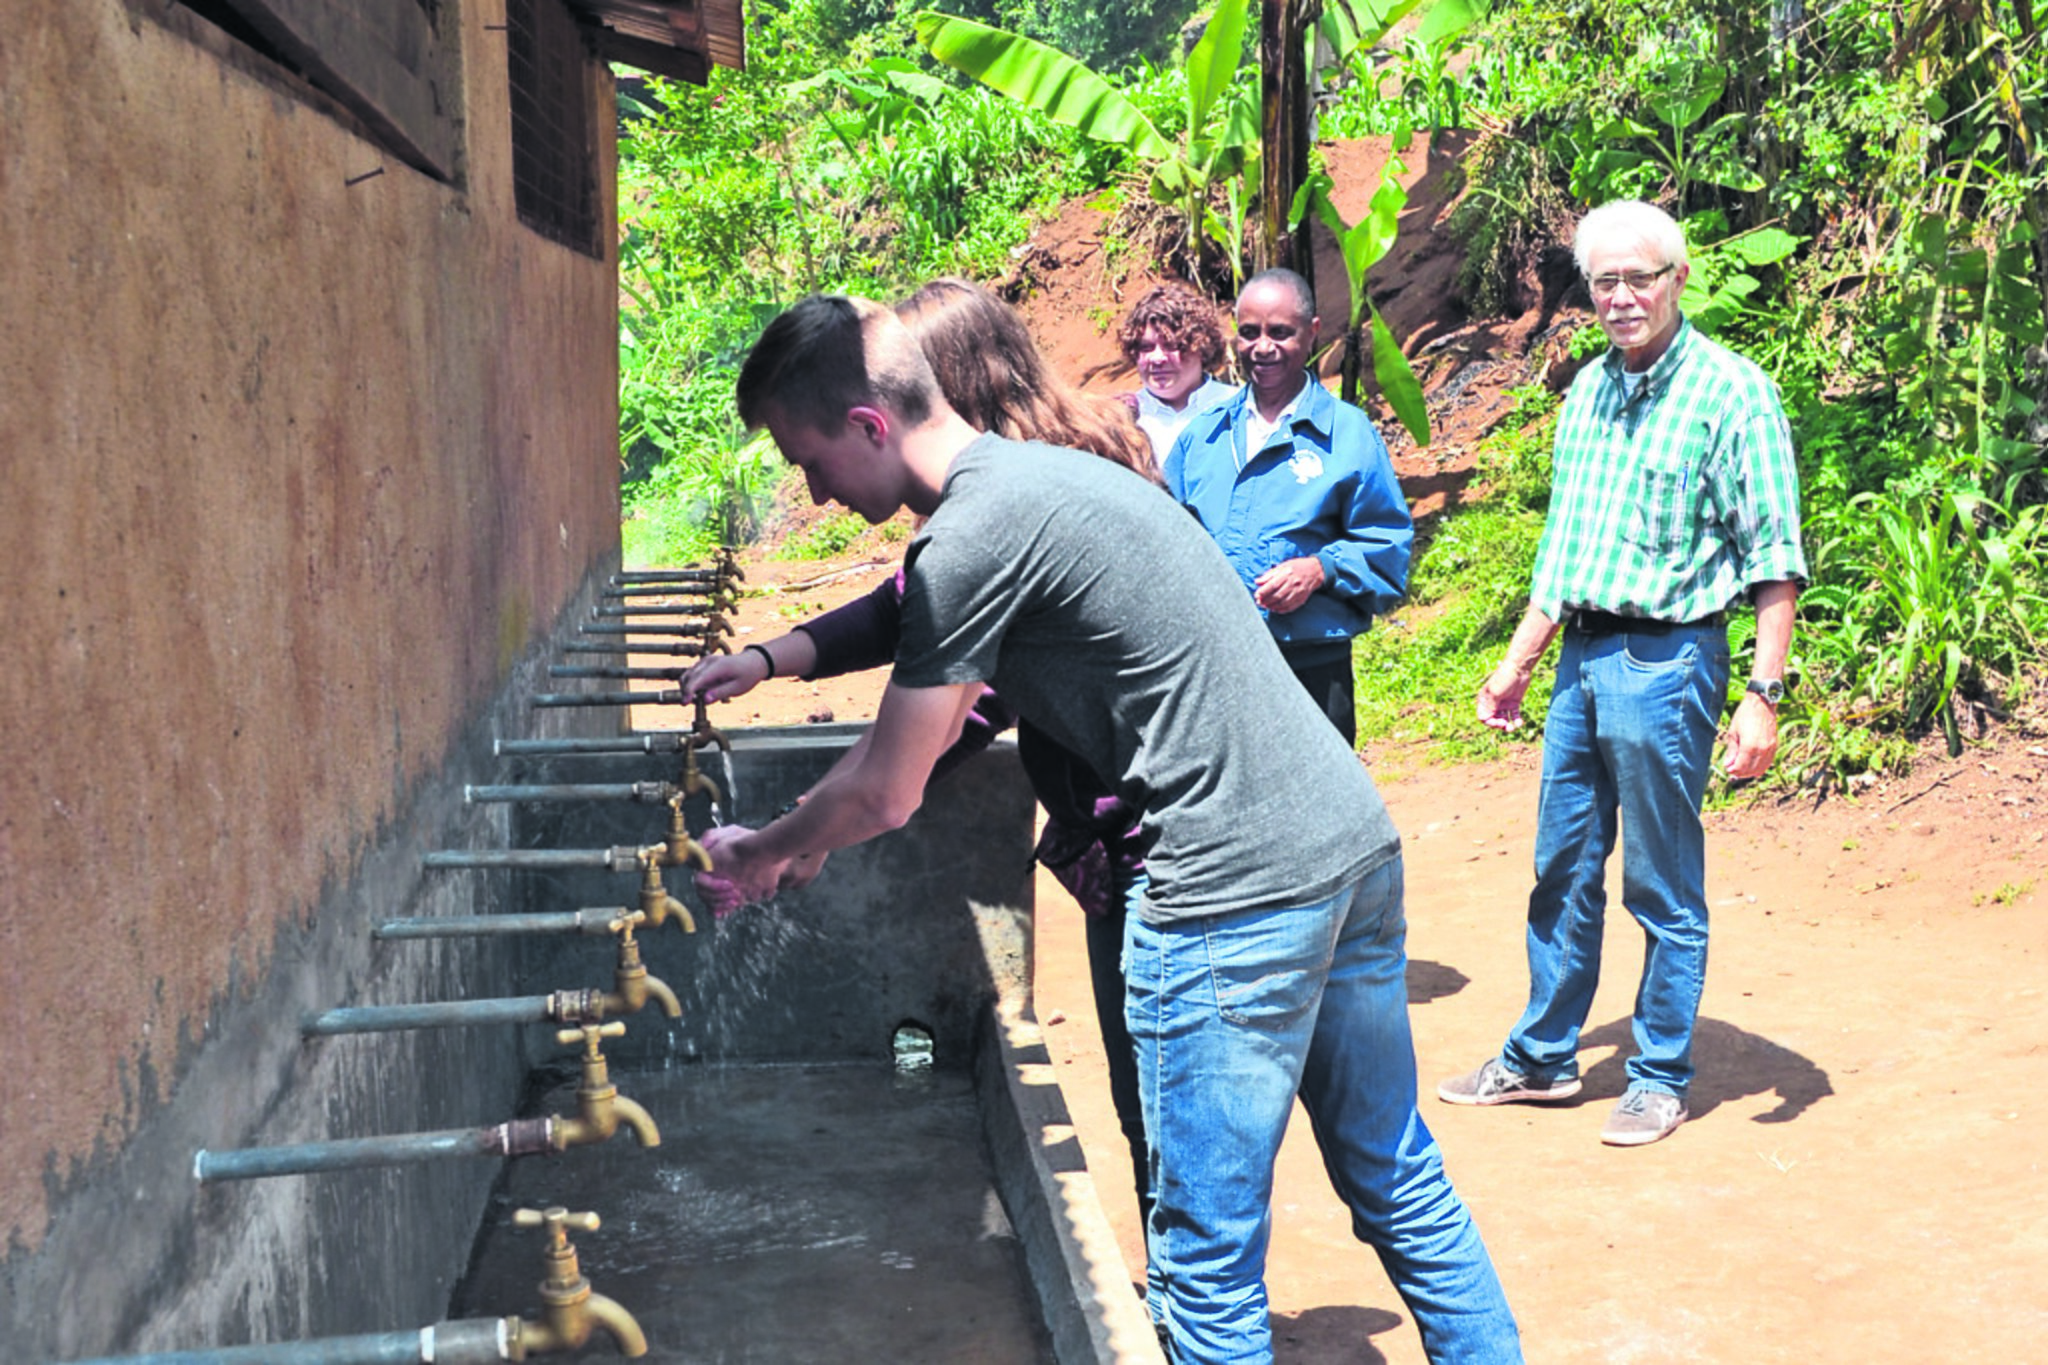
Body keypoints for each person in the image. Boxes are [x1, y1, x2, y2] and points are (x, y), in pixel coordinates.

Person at [698, 292, 1522, 1364]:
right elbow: (901, 709)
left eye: (805, 460)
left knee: (1201, 1265)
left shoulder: (970, 537)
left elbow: (888, 787)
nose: (809, 490)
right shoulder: (1053, 476)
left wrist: (763, 850)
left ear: (868, 426)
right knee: (1394, 1177)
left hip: (1228, 891)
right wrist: (802, 799)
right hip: (1345, 846)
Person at [679, 278, 1160, 1230]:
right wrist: (771, 660)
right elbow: (906, 614)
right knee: (1374, 1171)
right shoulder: (1046, 488)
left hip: (1162, 855)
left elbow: (943, 723)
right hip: (1203, 841)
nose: (815, 490)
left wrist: (784, 841)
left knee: (1172, 1141)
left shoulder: (997, 524)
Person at [1436, 200, 1807, 1148]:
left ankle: (1656, 1074)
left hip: (1670, 658)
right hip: (1582, 660)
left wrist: (1761, 696)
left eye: (1640, 276)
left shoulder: (1733, 395)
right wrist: (1518, 660)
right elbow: (1566, 549)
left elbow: (1774, 560)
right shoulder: (1590, 392)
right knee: (1562, 866)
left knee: (1661, 880)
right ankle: (1543, 1054)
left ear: (1678, 279)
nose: (1622, 296)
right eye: (1605, 280)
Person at [1163, 267, 1412, 744]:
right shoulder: (1203, 437)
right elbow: (1165, 541)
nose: (1263, 347)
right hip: (1217, 667)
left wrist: (1320, 569)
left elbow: (1388, 545)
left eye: (1280, 333)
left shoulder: (1347, 434)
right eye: (1249, 332)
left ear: (1312, 331)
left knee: (1319, 807)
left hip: (1312, 666)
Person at [1116, 281, 1236, 462]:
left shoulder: (1238, 409)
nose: (1157, 358)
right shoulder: (1121, 419)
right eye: (1146, 348)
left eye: (1171, 346)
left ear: (1201, 347)